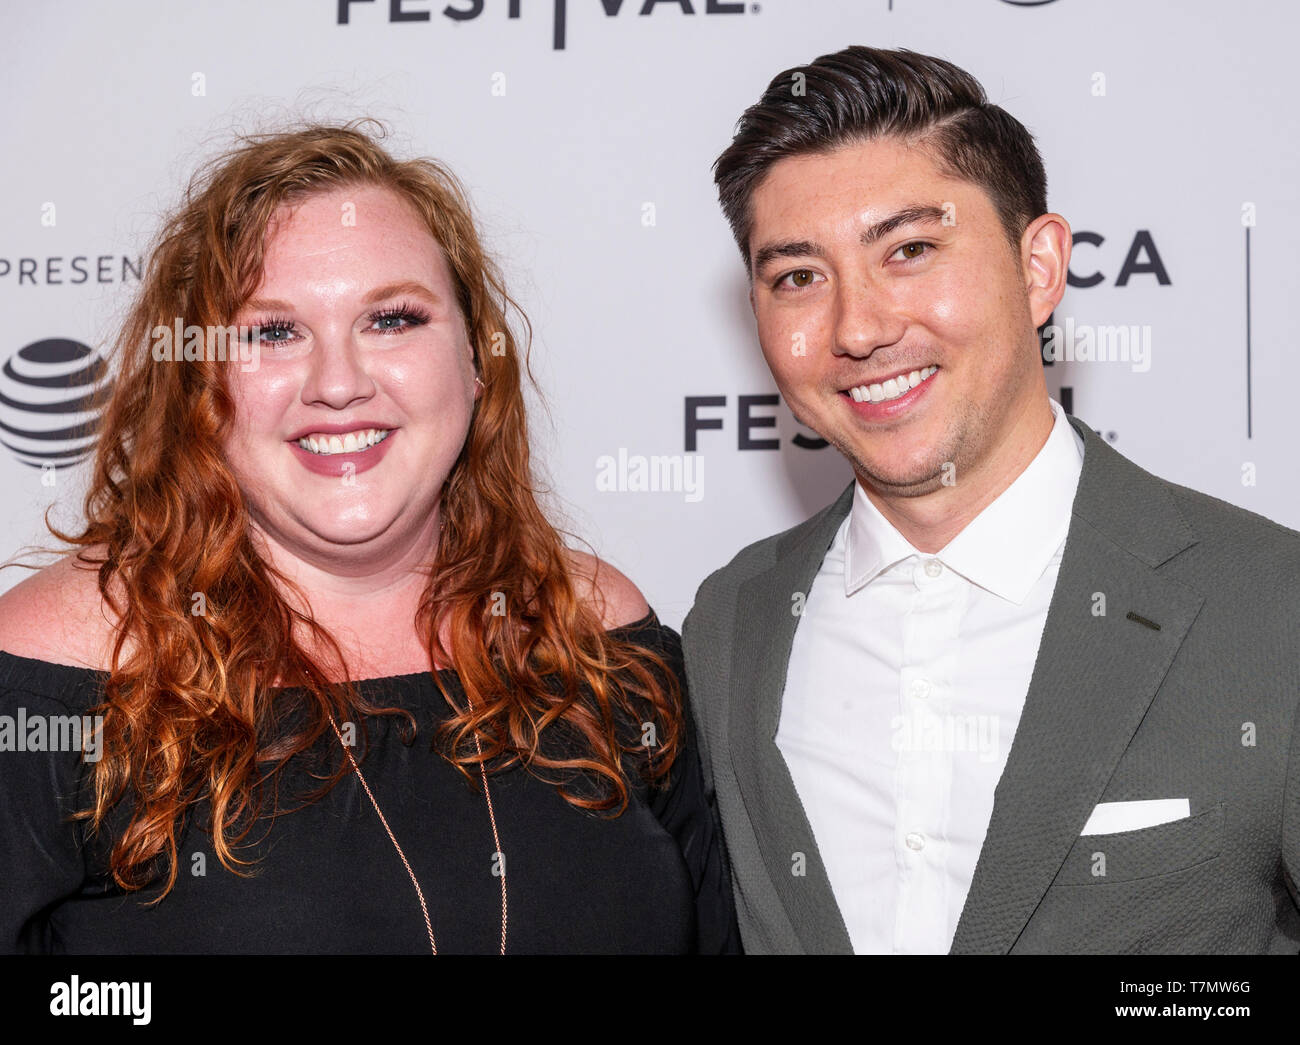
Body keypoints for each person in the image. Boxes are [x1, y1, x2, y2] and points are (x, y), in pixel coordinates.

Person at [0, 120, 739, 954]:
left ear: (475, 359)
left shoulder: (599, 635)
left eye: (391, 319)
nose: (340, 384)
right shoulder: (49, 672)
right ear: (197, 382)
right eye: (272, 332)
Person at [682, 45, 1300, 953]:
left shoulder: (1269, 604)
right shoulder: (731, 622)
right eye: (799, 277)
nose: (860, 327)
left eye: (911, 250)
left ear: (1040, 265)